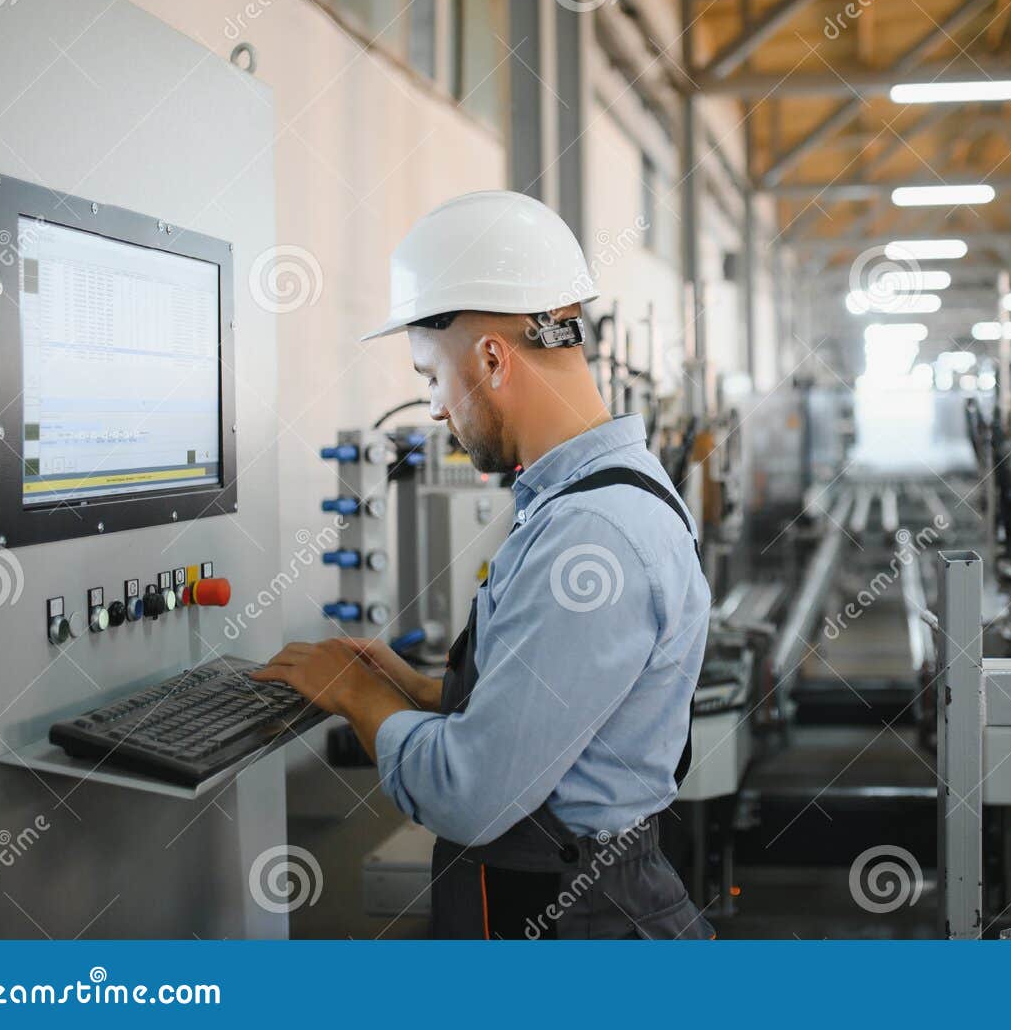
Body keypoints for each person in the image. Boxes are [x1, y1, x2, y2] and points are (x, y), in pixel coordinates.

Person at [253, 191, 713, 940]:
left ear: (492, 357)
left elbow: (471, 793)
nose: (434, 408)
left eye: (431, 376)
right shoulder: (598, 496)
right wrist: (414, 687)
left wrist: (358, 701)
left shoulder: (589, 532)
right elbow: (560, 719)